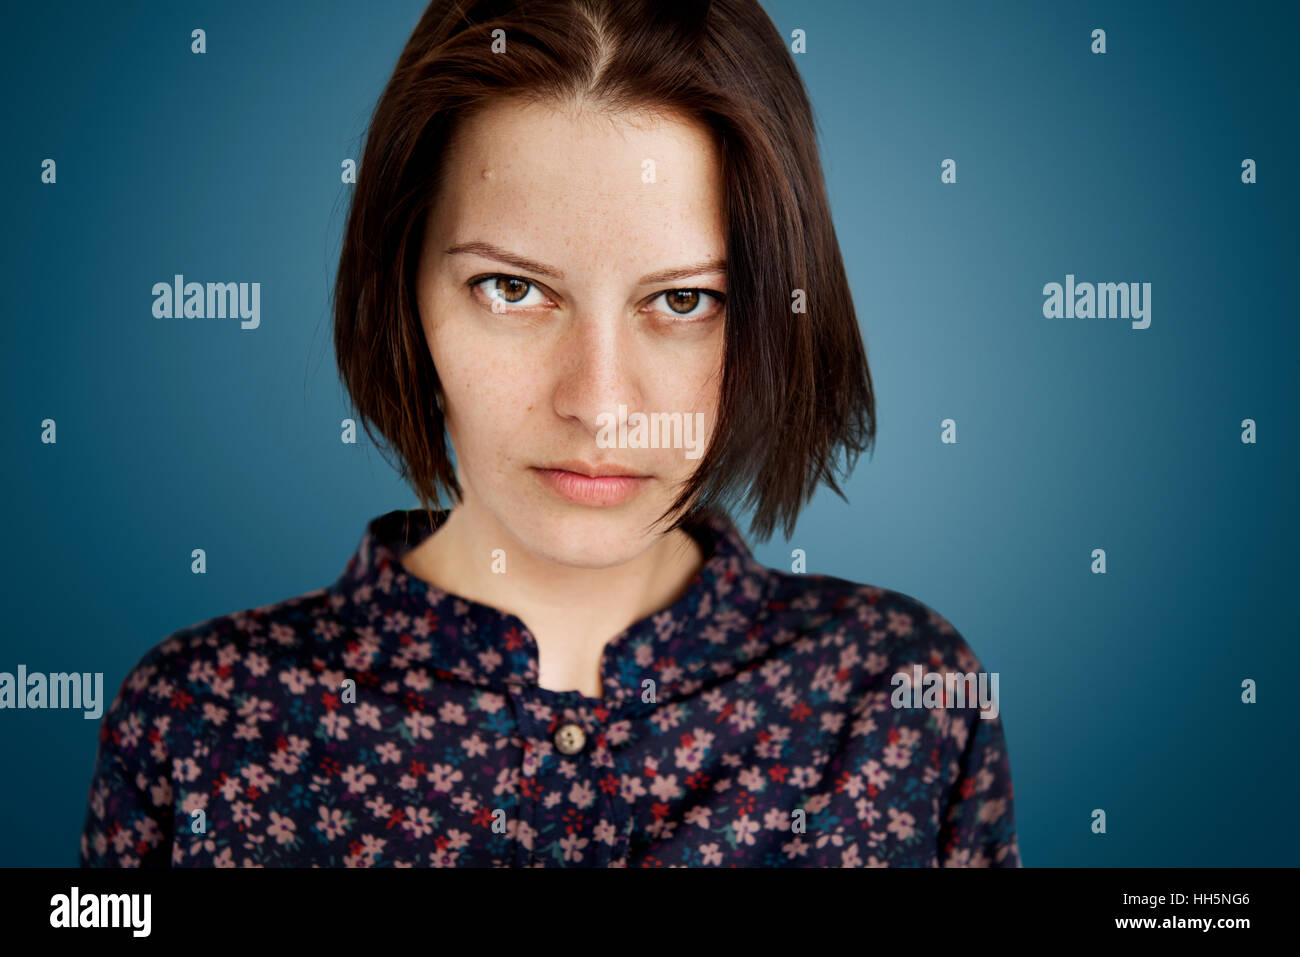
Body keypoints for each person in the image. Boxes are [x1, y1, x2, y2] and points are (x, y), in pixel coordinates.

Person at [81, 0, 1019, 867]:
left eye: (685, 300)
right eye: (514, 289)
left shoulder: (904, 699)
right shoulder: (200, 722)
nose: (601, 405)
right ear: (405, 286)